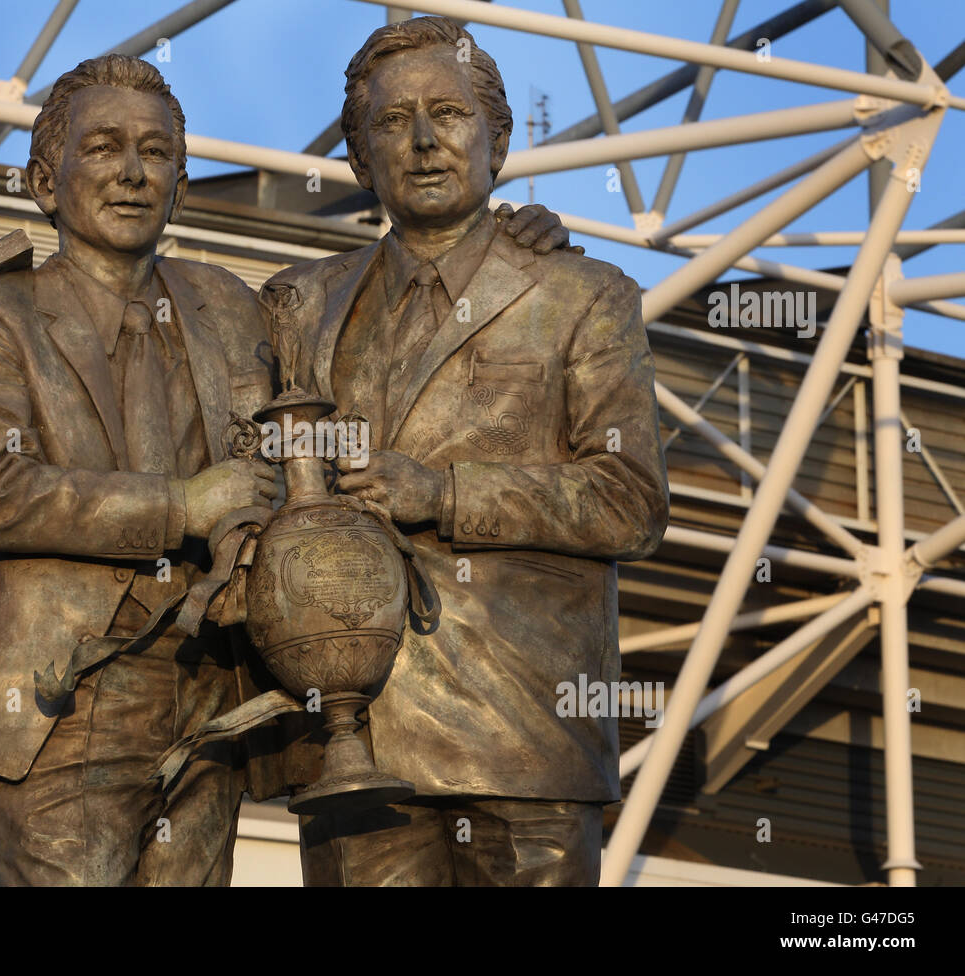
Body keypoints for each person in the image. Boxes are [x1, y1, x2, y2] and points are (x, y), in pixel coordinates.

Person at [248, 17, 670, 886]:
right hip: (350, 743)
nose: (427, 141)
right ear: (361, 160)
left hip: (523, 733)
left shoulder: (581, 295)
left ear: (498, 138)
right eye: (394, 122)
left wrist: (445, 493)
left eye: (450, 112)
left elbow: (631, 498)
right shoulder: (296, 303)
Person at [0, 54, 279, 885]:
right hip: (53, 705)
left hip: (204, 701)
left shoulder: (227, 305)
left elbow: (343, 324)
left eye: (156, 154)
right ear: (46, 182)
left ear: (182, 186)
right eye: (104, 148)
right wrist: (180, 506)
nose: (131, 173)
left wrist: (511, 231)